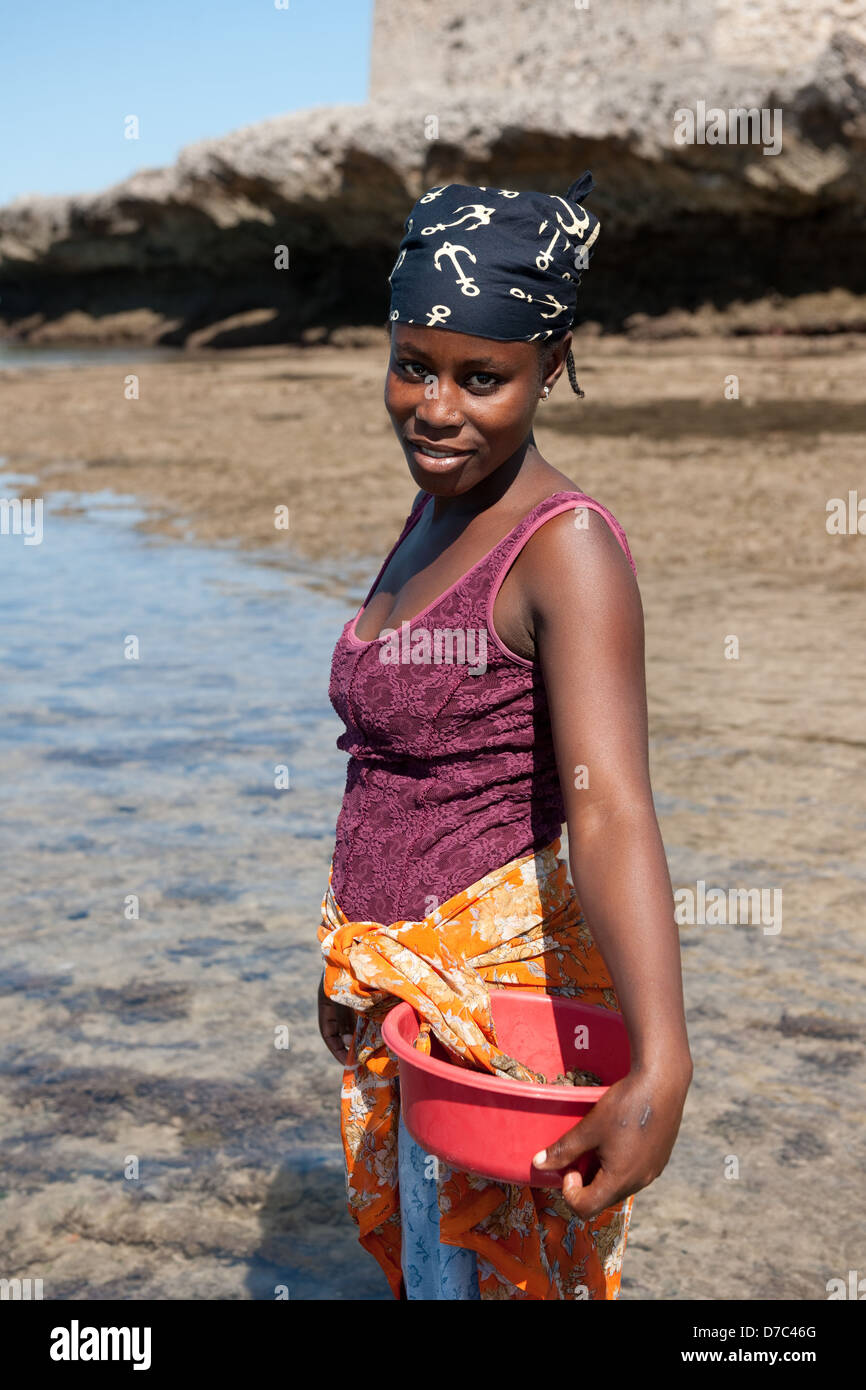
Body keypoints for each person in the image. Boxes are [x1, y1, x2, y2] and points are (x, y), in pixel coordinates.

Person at [317, 172, 692, 1301]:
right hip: (406, 1013)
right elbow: (390, 774)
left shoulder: (562, 549)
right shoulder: (435, 506)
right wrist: (351, 960)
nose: (437, 408)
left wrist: (660, 1063)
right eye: (412, 366)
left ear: (552, 363)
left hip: (490, 1039)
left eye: (482, 378)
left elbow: (610, 805)